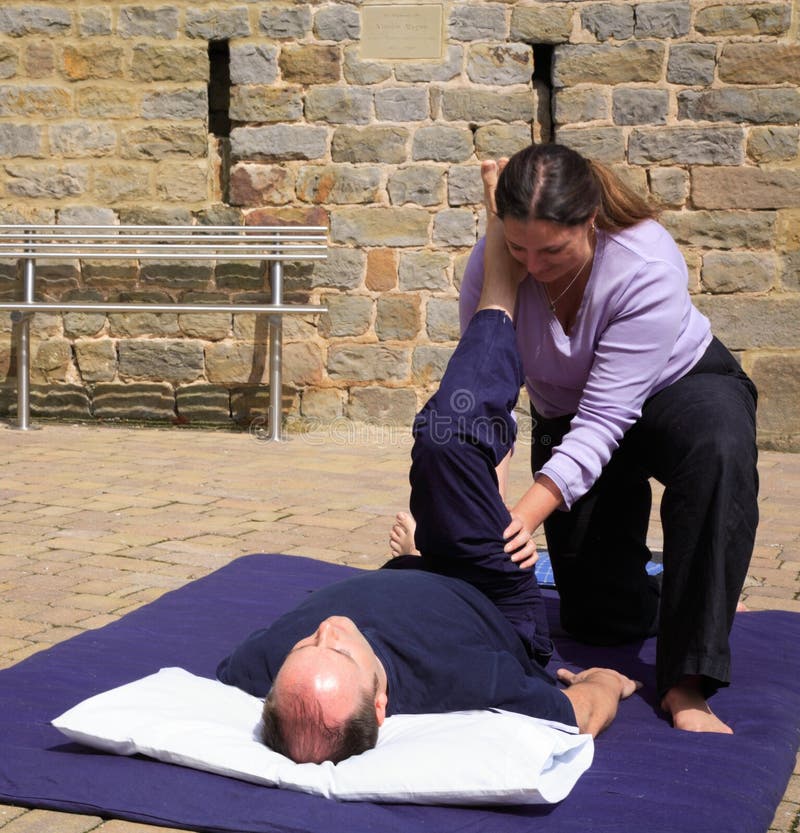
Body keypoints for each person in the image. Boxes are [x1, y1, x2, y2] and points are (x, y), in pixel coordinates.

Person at [391, 143, 758, 736]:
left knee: (718, 448)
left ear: (589, 223)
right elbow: (492, 395)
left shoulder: (645, 263)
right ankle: (674, 589)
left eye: (552, 251)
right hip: (568, 411)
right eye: (518, 248)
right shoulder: (494, 265)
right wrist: (490, 517)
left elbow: (607, 420)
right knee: (598, 620)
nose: (533, 266)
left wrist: (528, 514)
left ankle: (688, 683)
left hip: (680, 387)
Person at [217, 267, 640, 765]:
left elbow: (240, 678)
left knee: (454, 474)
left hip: (420, 567)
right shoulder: (460, 678)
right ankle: (501, 286)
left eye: (304, 646)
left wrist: (417, 565)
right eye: (337, 652)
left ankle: (441, 532)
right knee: (446, 438)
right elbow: (579, 717)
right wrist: (606, 680)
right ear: (380, 705)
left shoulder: (257, 669)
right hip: (491, 591)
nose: (327, 629)